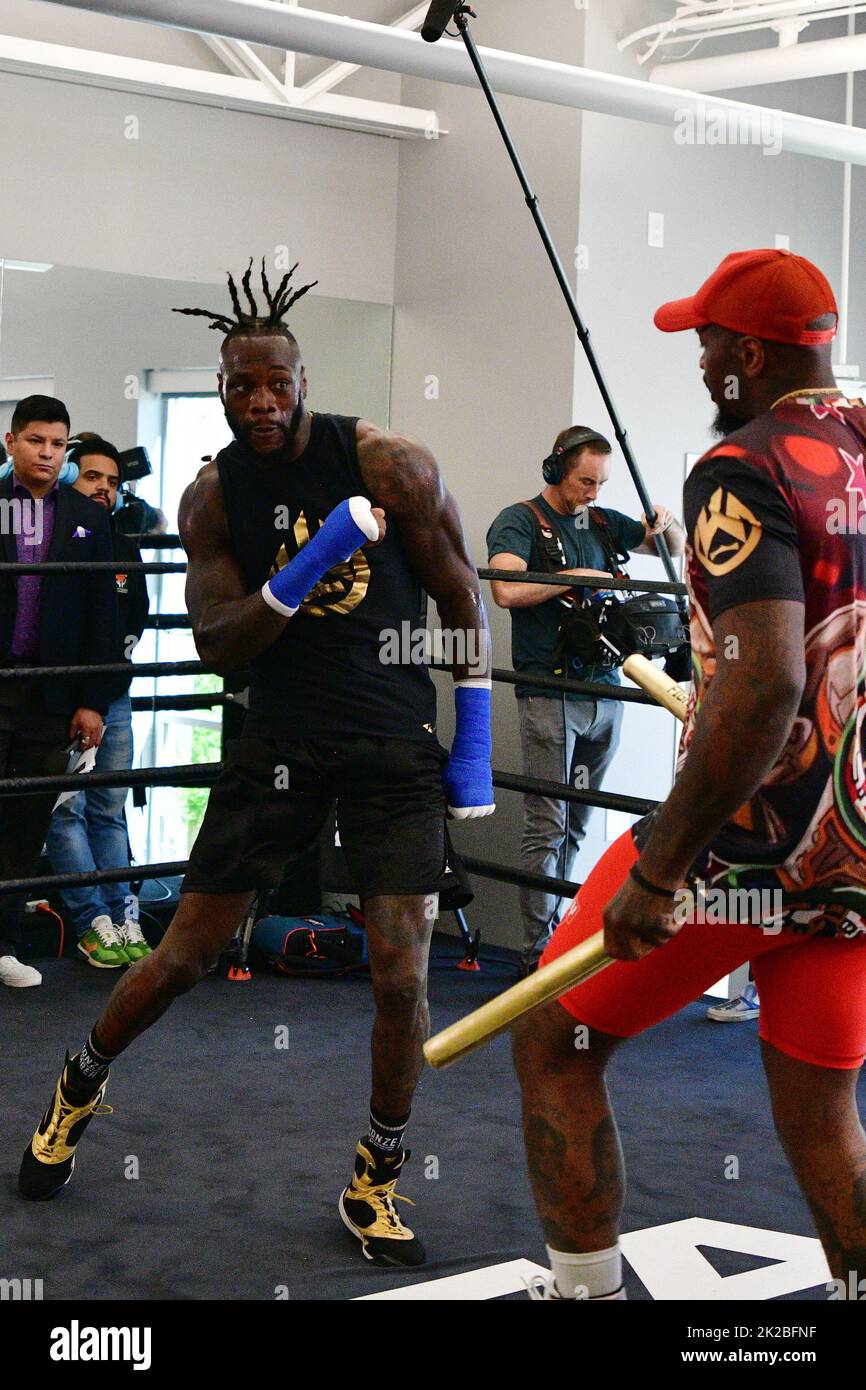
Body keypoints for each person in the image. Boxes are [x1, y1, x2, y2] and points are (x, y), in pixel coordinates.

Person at [19, 261, 494, 1270]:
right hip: (275, 747)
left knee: (401, 972)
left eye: (278, 383)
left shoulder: (389, 463)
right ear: (223, 387)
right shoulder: (211, 497)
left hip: (391, 747)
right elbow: (220, 644)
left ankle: (375, 1175)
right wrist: (309, 562)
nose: (263, 402)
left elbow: (462, 600)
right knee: (185, 954)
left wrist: (476, 738)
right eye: (243, 386)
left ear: (304, 379)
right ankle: (81, 1078)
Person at [512, 248, 866, 1300]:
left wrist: (660, 868)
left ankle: (581, 1294)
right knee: (819, 1113)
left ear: (745, 353)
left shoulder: (743, 465)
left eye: (705, 341)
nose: (698, 358)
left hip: (742, 847)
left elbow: (756, 696)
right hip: (851, 851)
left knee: (555, 1038)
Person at [487, 427, 684, 972]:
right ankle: (537, 953)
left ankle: (563, 937)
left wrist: (667, 524)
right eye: (584, 481)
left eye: (601, 482)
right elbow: (504, 589)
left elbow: (666, 546)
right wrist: (575, 576)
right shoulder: (519, 520)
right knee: (547, 823)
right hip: (549, 690)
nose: (593, 492)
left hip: (610, 688)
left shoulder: (600, 520)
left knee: (579, 821)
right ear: (554, 469)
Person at [0, 397, 117, 988]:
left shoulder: (89, 517)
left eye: (57, 444)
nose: (47, 453)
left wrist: (93, 698)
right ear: (10, 441)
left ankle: (4, 947)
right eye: (36, 440)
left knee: (26, 822)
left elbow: (105, 615)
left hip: (51, 694)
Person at [45, 437, 152, 968]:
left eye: (112, 481)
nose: (104, 489)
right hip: (62, 697)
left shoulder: (122, 541)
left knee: (109, 809)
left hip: (115, 693)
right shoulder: (52, 536)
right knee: (67, 809)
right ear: (68, 477)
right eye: (92, 478)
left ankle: (123, 914)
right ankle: (92, 922)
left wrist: (108, 680)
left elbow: (134, 615)